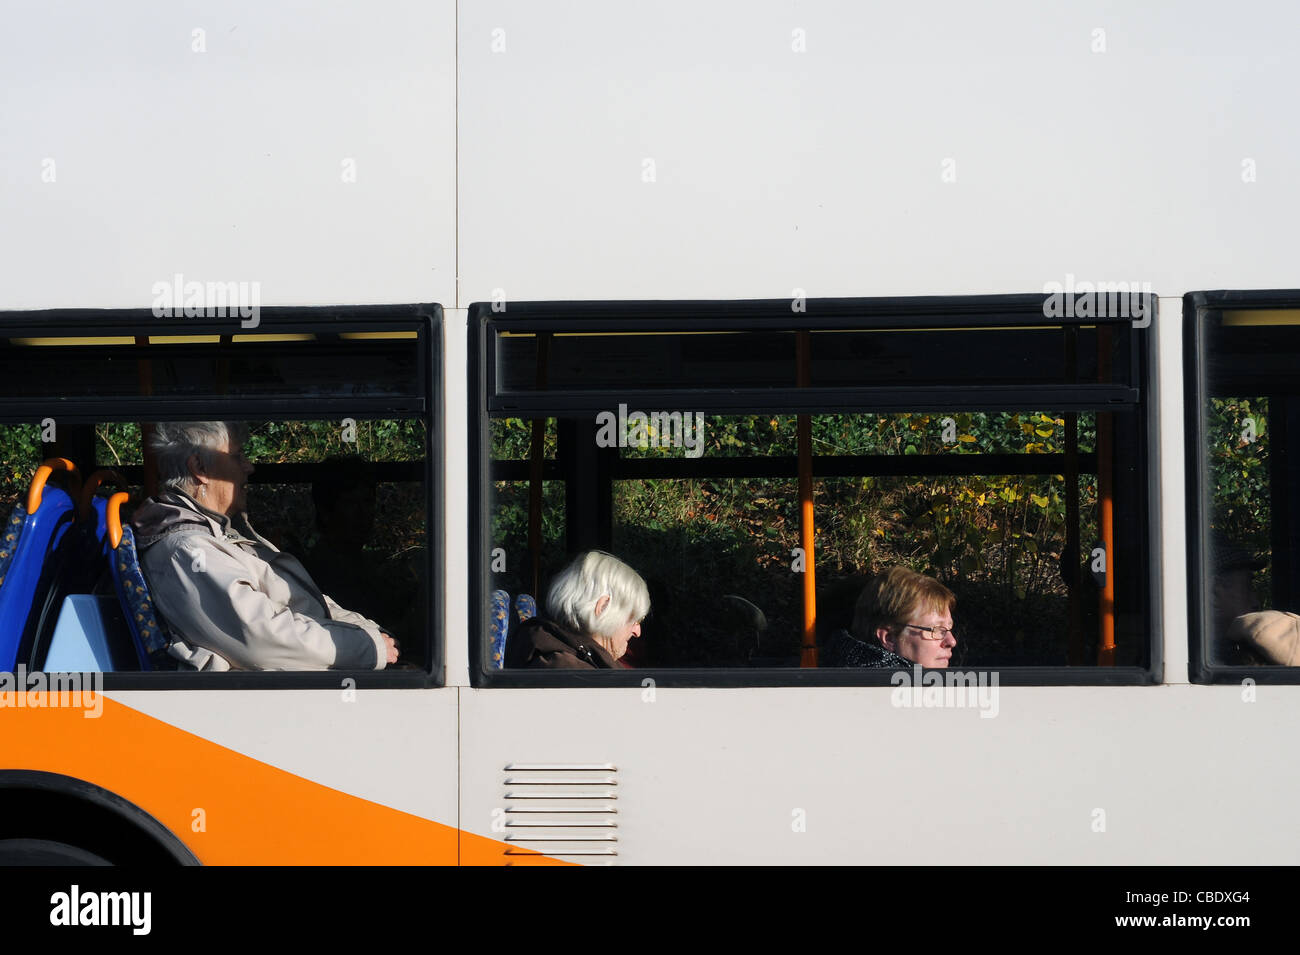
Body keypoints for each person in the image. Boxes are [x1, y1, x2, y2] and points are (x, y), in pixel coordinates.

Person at [131, 422, 399, 671]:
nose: (249, 467)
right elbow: (261, 638)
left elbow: (311, 604)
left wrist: (369, 632)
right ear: (200, 468)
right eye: (237, 456)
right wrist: (365, 647)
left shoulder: (221, 535)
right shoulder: (187, 551)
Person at [506, 550, 649, 669]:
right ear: (603, 608)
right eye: (634, 619)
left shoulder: (579, 661)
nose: (638, 632)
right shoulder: (573, 674)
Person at [823, 566, 957, 668]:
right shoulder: (891, 696)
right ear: (889, 638)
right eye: (937, 630)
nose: (951, 641)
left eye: (948, 629)